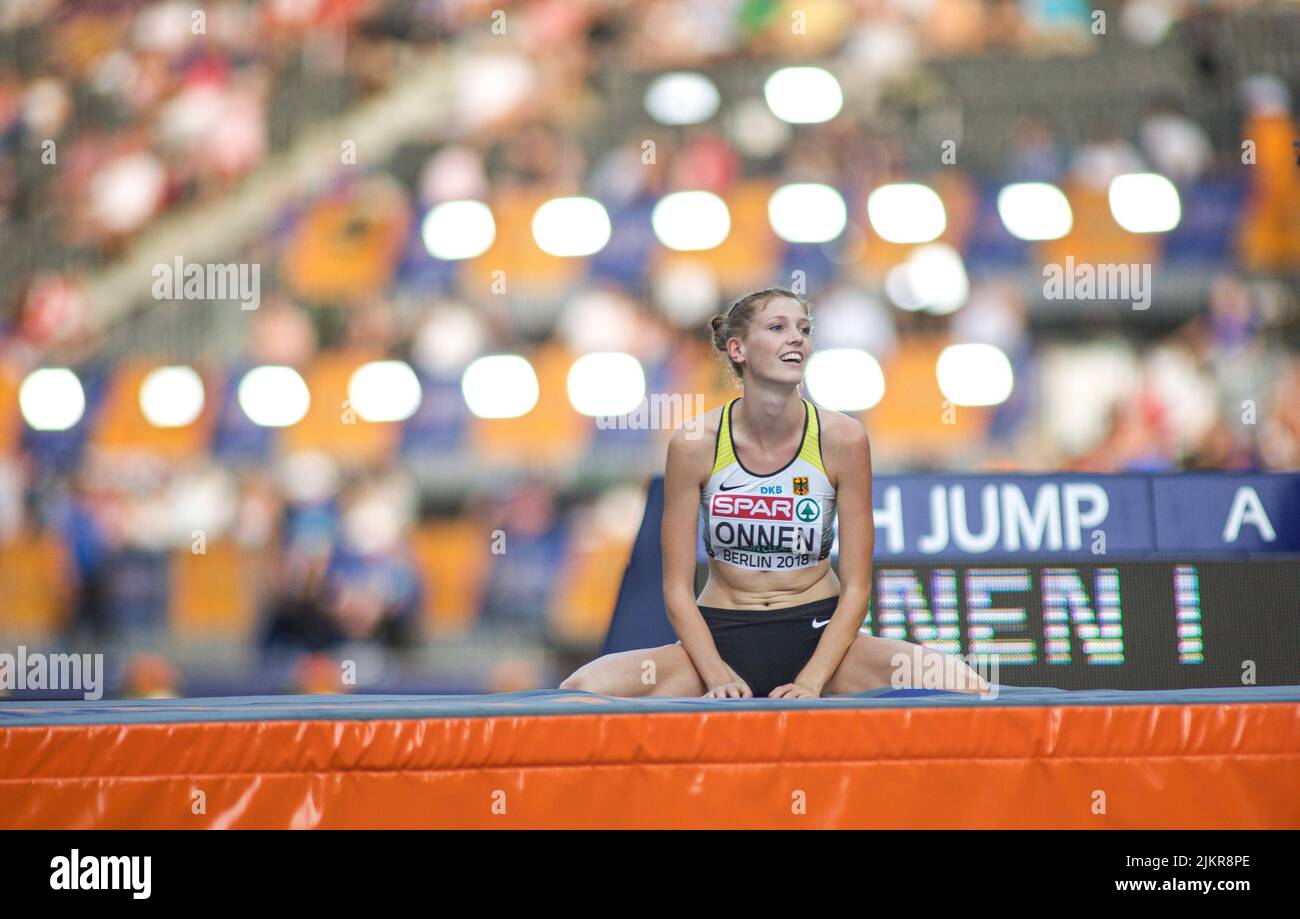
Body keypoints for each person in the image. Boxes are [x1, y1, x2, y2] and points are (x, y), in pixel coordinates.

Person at [562, 287, 989, 698]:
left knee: (969, 685)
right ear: (737, 349)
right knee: (582, 689)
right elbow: (676, 589)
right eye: (778, 328)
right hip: (719, 639)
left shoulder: (844, 438)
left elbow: (858, 588)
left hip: (819, 639)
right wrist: (715, 676)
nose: (796, 339)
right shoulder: (694, 442)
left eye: (803, 329)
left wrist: (811, 681)